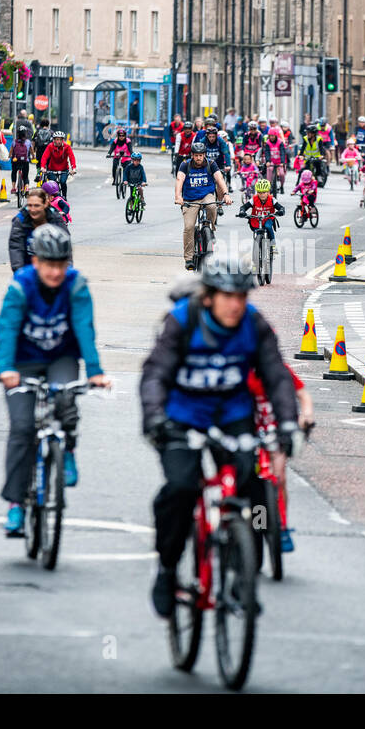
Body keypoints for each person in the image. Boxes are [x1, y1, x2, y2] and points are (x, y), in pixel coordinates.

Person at [139, 253, 299, 617]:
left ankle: (248, 564)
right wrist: (154, 418)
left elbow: (276, 377)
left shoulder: (254, 325)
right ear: (208, 296)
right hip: (182, 417)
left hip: (232, 416)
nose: (236, 304)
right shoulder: (183, 321)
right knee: (181, 488)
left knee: (256, 491)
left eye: (242, 296)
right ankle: (167, 568)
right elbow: (155, 375)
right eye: (228, 296)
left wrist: (287, 423)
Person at [0, 225, 110, 532]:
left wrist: (95, 372)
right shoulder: (20, 286)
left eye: (61, 264)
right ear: (36, 262)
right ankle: (16, 504)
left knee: (66, 399)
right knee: (22, 428)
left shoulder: (76, 285)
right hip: (22, 362)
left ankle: (67, 450)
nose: (55, 272)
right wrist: (6, 369)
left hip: (61, 356)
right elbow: (7, 330)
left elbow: (85, 329)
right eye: (49, 264)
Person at [247, 363, 315, 553]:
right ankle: (256, 523)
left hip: (276, 430)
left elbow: (302, 394)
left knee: (279, 477)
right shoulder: (242, 367)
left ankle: (282, 526)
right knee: (253, 479)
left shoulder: (280, 369)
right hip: (249, 430)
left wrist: (306, 415)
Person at [174, 141, 232, 270]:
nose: (198, 158)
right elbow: (179, 180)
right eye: (196, 155)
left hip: (207, 195)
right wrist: (178, 196)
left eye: (201, 155)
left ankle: (210, 228)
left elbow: (219, 179)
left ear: (204, 155)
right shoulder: (185, 165)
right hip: (190, 199)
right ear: (192, 155)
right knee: (189, 227)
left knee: (212, 206)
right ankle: (189, 258)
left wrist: (226, 194)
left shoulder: (211, 164)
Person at [9, 189, 69, 271]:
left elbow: (65, 246)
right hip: (27, 270)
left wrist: (65, 272)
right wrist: (19, 271)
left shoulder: (56, 218)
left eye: (37, 205)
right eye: (30, 205)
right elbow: (16, 246)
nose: (32, 209)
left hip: (53, 270)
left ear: (46, 204)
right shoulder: (20, 219)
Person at [239, 176, 280, 242]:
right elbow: (244, 207)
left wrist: (281, 211)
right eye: (260, 192)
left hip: (268, 219)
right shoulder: (254, 199)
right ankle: (257, 247)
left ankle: (273, 246)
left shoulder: (272, 199)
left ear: (268, 192)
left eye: (264, 192)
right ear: (257, 192)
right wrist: (242, 211)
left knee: (268, 226)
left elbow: (280, 207)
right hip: (256, 219)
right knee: (257, 231)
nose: (262, 195)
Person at [40, 129, 78, 198]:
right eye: (57, 139)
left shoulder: (67, 147)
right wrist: (43, 167)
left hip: (64, 169)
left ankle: (64, 197)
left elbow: (71, 157)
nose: (59, 141)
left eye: (60, 139)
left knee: (63, 182)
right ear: (54, 140)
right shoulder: (50, 146)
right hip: (52, 169)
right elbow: (44, 157)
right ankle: (54, 198)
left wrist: (74, 168)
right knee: (53, 184)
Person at [9, 124, 32, 195]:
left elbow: (11, 152)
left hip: (16, 161)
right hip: (25, 161)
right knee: (25, 175)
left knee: (14, 172)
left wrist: (9, 156)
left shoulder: (14, 142)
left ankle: (13, 187)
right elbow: (32, 151)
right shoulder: (28, 142)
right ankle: (27, 187)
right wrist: (33, 156)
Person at [263, 128, 287, 195]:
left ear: (276, 136)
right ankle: (269, 186)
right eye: (270, 136)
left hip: (279, 161)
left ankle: (282, 186)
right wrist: (267, 161)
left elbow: (282, 153)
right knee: (269, 169)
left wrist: (282, 162)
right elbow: (267, 152)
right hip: (272, 161)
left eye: (273, 136)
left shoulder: (280, 142)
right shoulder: (267, 143)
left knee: (282, 174)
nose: (271, 137)